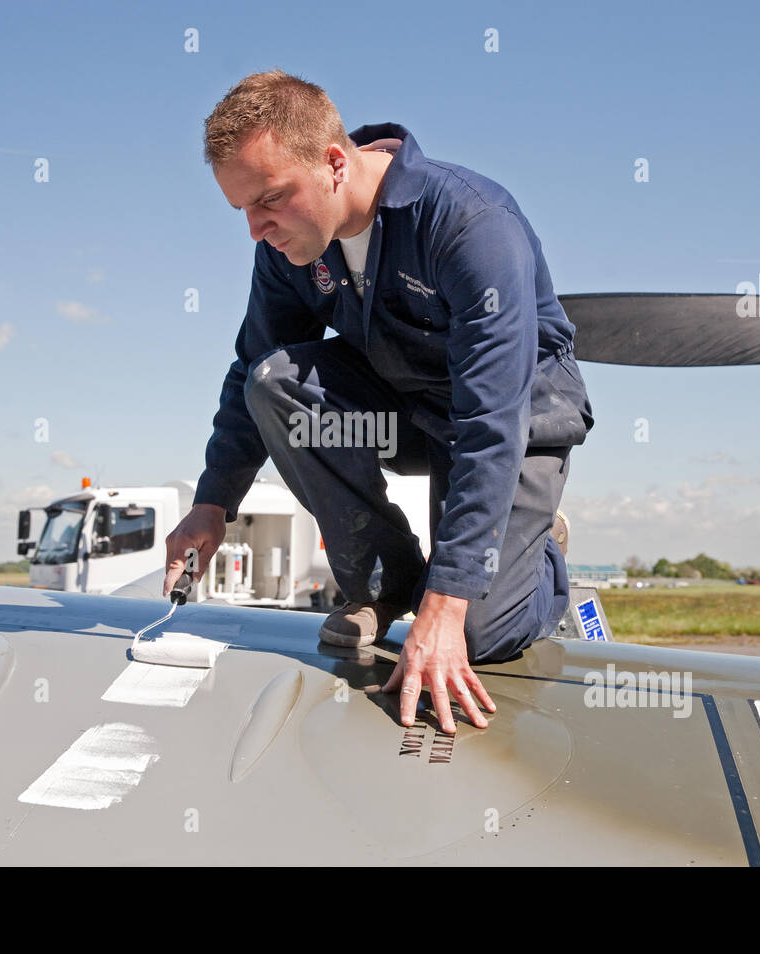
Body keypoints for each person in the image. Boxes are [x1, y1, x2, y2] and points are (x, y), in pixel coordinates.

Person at [164, 70, 594, 735]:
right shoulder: (288, 250)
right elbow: (255, 365)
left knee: (476, 634)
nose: (256, 229)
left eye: (271, 199)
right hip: (407, 415)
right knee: (272, 382)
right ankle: (390, 581)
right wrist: (212, 501)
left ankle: (541, 562)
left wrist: (449, 605)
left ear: (335, 163)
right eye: (243, 210)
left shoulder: (470, 223)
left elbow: (492, 421)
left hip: (512, 425)